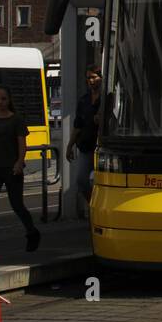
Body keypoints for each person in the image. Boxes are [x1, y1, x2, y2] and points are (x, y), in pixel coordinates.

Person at [0, 85, 40, 257]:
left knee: (17, 205)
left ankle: (32, 232)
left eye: (3, 99)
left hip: (11, 169)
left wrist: (19, 162)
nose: (0, 102)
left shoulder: (17, 120)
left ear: (9, 100)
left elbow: (22, 144)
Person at [67, 68, 102, 216]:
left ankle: (100, 209)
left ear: (101, 77)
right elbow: (77, 125)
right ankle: (94, 207)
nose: (90, 81)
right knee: (81, 180)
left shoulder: (108, 96)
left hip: (103, 146)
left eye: (93, 77)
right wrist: (70, 145)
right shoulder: (84, 100)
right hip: (86, 146)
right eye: (88, 78)